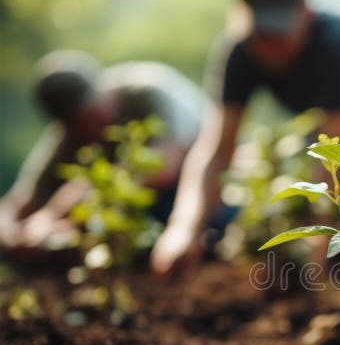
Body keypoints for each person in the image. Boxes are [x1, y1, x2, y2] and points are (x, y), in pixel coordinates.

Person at [150, 0, 340, 276]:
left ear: (305, 12)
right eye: (260, 34)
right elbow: (217, 149)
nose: (269, 47)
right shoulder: (240, 51)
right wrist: (184, 228)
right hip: (324, 135)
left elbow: (337, 157)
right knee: (256, 183)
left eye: (278, 33)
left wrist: (312, 247)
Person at [0, 50, 209, 258]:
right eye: (75, 124)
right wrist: (14, 236)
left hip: (199, 193)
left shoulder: (146, 92)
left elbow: (165, 164)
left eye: (90, 113)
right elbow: (19, 202)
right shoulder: (68, 138)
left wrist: (63, 207)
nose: (88, 128)